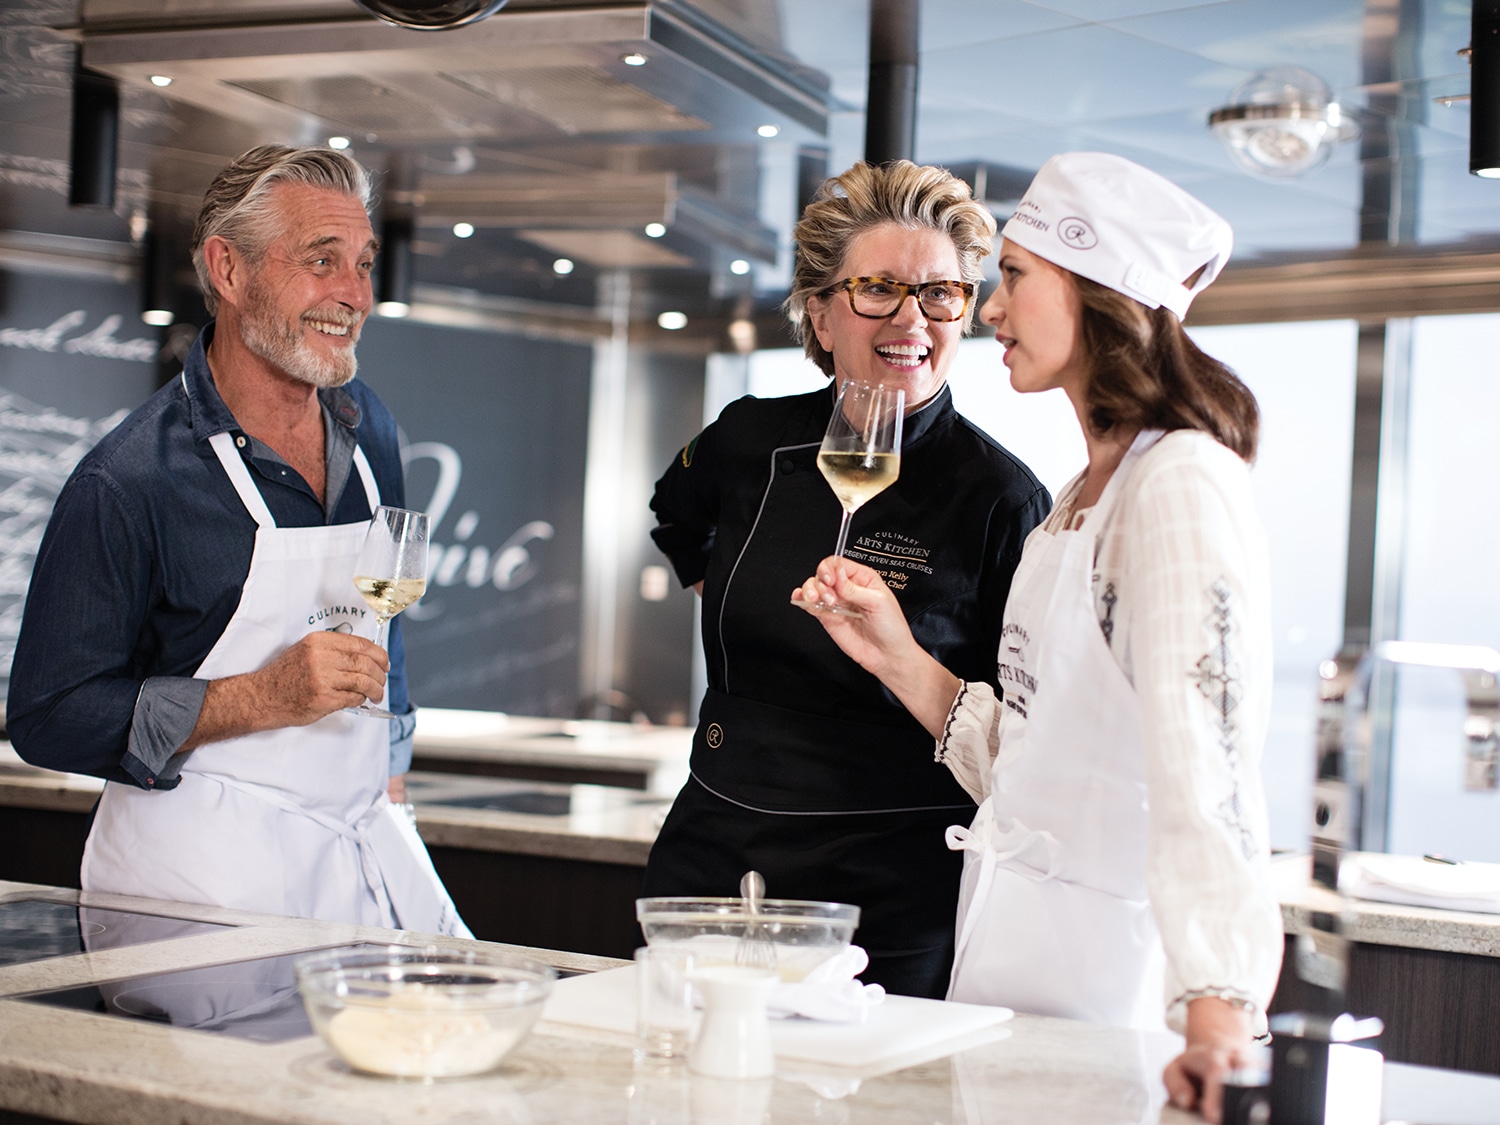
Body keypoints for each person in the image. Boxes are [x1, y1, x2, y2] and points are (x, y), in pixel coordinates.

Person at [793, 152, 1284, 1122]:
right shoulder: (1079, 498)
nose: (985, 311)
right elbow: (1036, 755)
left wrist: (1219, 1013)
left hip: (1112, 983)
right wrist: (896, 651)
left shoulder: (1179, 482)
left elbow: (1208, 770)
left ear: (1096, 295)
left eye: (1012, 278)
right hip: (1010, 959)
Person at [8, 144, 466, 937]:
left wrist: (392, 769)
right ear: (228, 269)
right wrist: (260, 696)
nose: (354, 294)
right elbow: (49, 714)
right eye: (322, 260)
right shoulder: (127, 480)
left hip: (360, 859)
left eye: (362, 264)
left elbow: (390, 626)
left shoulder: (371, 426)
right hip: (200, 893)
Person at [643, 161, 1050, 999]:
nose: (912, 317)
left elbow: (1025, 727)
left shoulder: (1002, 498)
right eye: (878, 289)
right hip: (716, 849)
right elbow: (677, 519)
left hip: (891, 889)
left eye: (941, 293)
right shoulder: (748, 439)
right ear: (822, 314)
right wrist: (737, 599)